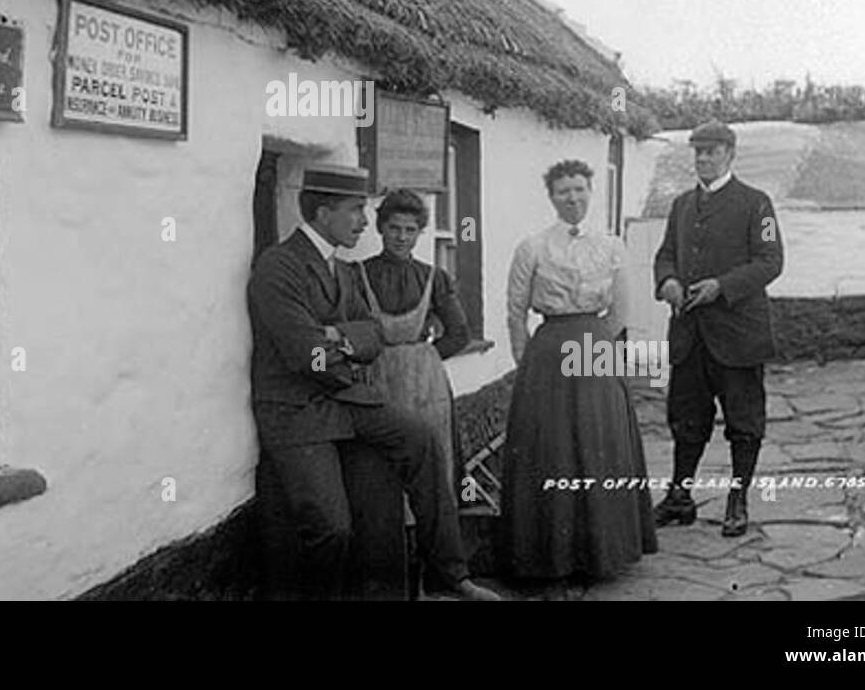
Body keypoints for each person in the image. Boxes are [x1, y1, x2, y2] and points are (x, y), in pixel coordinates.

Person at [247, 163, 500, 601]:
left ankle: (449, 574)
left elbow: (374, 336)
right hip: (296, 413)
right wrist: (344, 341)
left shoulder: (343, 271)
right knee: (332, 526)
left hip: (346, 397)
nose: (365, 221)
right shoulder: (278, 266)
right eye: (355, 210)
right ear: (323, 212)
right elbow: (306, 356)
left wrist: (336, 338)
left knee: (422, 442)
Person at [499, 159, 657, 582]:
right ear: (551, 197)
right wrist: (529, 362)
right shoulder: (532, 247)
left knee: (598, 437)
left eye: (580, 190)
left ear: (591, 193)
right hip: (548, 352)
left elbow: (621, 309)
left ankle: (603, 550)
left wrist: (594, 344)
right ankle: (548, 553)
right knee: (552, 446)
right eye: (564, 191)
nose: (573, 198)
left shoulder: (610, 246)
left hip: (594, 344)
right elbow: (515, 312)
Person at [653, 120, 784, 537]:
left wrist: (721, 288)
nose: (703, 159)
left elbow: (770, 261)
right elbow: (665, 257)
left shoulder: (757, 204)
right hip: (690, 336)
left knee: (744, 422)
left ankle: (738, 500)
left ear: (731, 154)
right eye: (698, 152)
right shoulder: (680, 206)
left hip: (738, 336)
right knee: (687, 419)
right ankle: (680, 497)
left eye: (712, 151)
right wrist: (668, 283)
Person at [353, 188, 470, 592]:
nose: (401, 237)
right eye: (393, 228)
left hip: (426, 389)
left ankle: (434, 577)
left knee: (433, 475)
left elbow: (459, 334)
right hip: (378, 382)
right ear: (381, 228)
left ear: (420, 233)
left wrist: (423, 358)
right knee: (385, 478)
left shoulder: (434, 278)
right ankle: (393, 579)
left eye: (410, 229)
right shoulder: (358, 274)